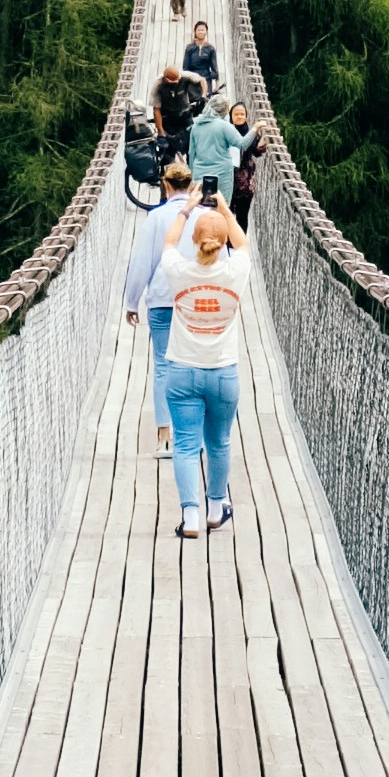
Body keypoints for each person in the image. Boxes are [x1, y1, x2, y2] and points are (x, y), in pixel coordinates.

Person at [159, 181, 248, 532]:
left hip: (181, 371)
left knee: (185, 443)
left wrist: (186, 208)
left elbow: (167, 243)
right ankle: (215, 508)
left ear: (194, 240)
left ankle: (190, 516)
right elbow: (242, 244)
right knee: (220, 441)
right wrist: (224, 209)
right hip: (223, 372)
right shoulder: (235, 270)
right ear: (222, 242)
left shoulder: (180, 271)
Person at [120, 164, 185, 445]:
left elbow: (141, 262)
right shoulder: (206, 215)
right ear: (190, 185)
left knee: (162, 365)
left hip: (161, 298)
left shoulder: (156, 217)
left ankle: (163, 436)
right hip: (196, 300)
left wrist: (132, 302)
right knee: (194, 364)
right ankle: (190, 435)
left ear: (166, 186)